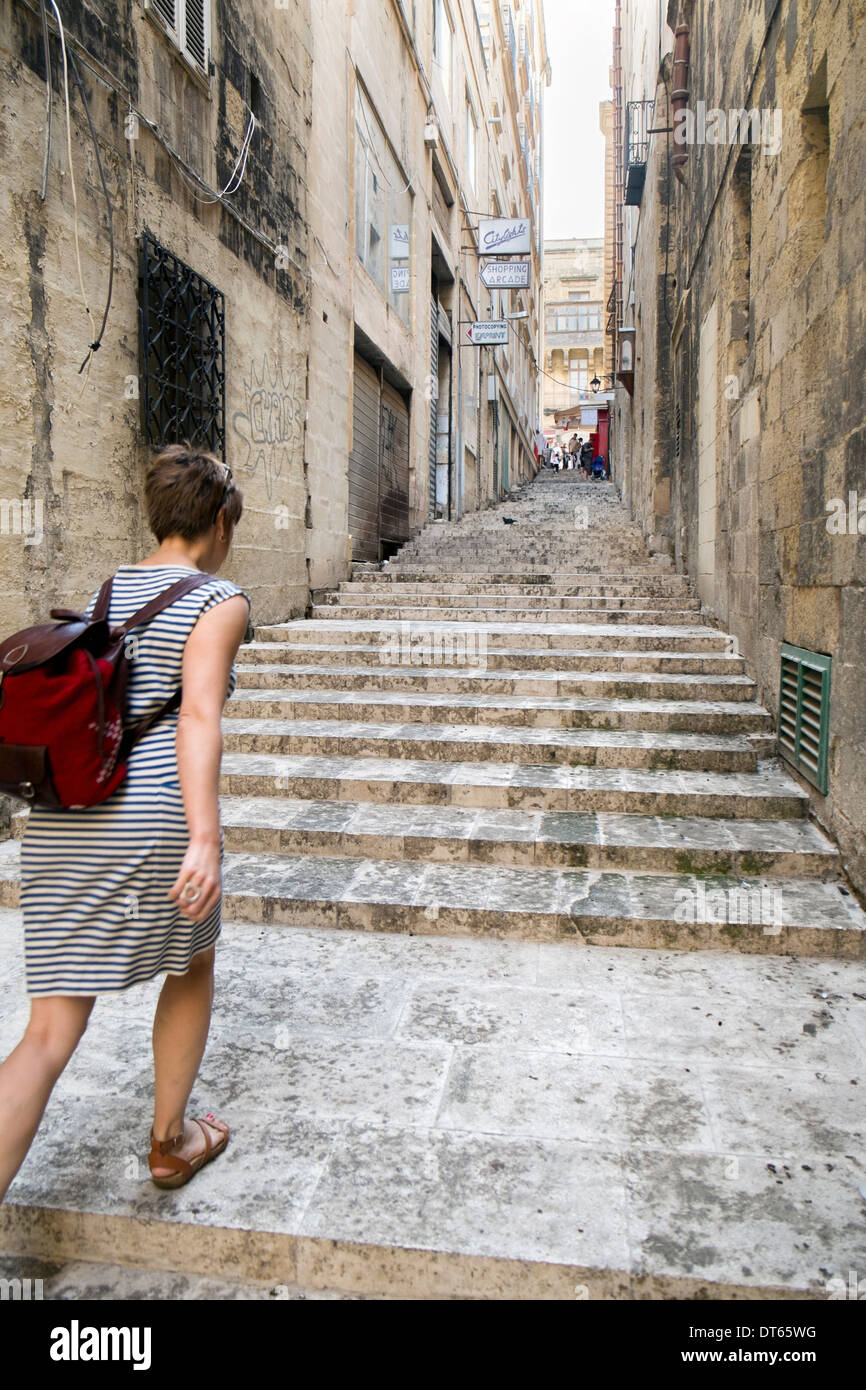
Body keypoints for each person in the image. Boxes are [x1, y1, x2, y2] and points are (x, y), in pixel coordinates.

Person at [0, 445, 251, 1201]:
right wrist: (204, 839)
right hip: (150, 819)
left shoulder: (112, 589)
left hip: (64, 812)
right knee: (192, 963)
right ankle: (169, 1143)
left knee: (46, 1035)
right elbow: (197, 717)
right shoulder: (220, 600)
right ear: (217, 522)